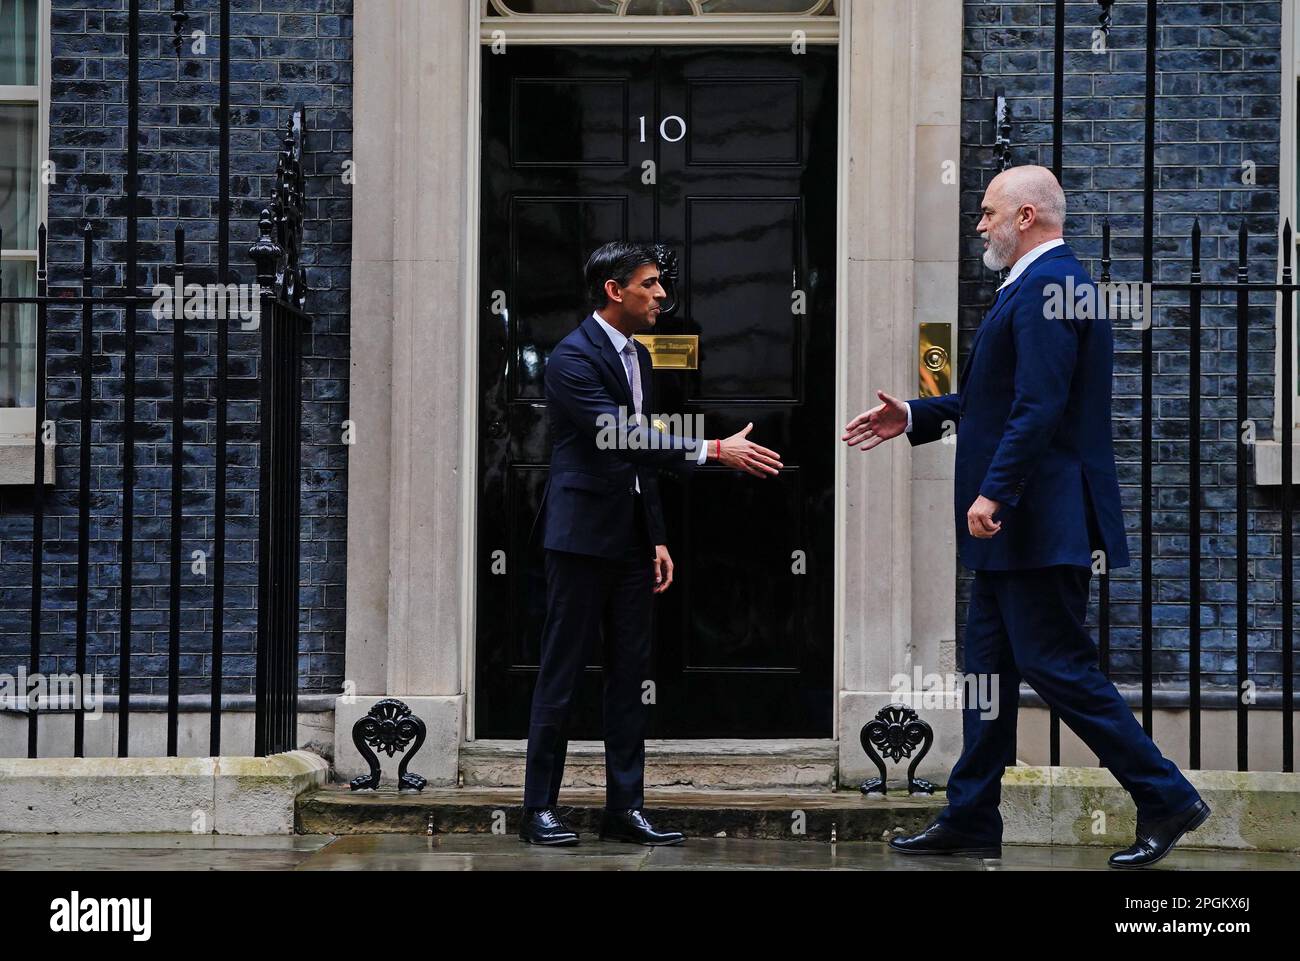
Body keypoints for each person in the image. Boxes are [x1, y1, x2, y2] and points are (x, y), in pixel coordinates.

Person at [842, 165, 1209, 869]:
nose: (979, 224)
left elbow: (1040, 407)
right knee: (987, 673)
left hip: (1038, 523)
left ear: (1028, 216)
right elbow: (994, 402)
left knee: (1060, 667)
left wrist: (997, 492)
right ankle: (972, 816)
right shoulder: (1033, 285)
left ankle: (1166, 796)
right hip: (1014, 534)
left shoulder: (1053, 285)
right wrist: (915, 414)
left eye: (988, 212)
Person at [521, 241, 783, 846]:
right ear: (615, 291)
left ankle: (625, 807)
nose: (662, 295)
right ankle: (538, 810)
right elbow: (617, 434)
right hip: (580, 540)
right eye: (650, 284)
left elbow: (643, 456)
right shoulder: (571, 359)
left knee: (628, 676)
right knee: (560, 675)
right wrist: (713, 449)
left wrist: (657, 535)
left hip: (632, 541)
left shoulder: (638, 356)